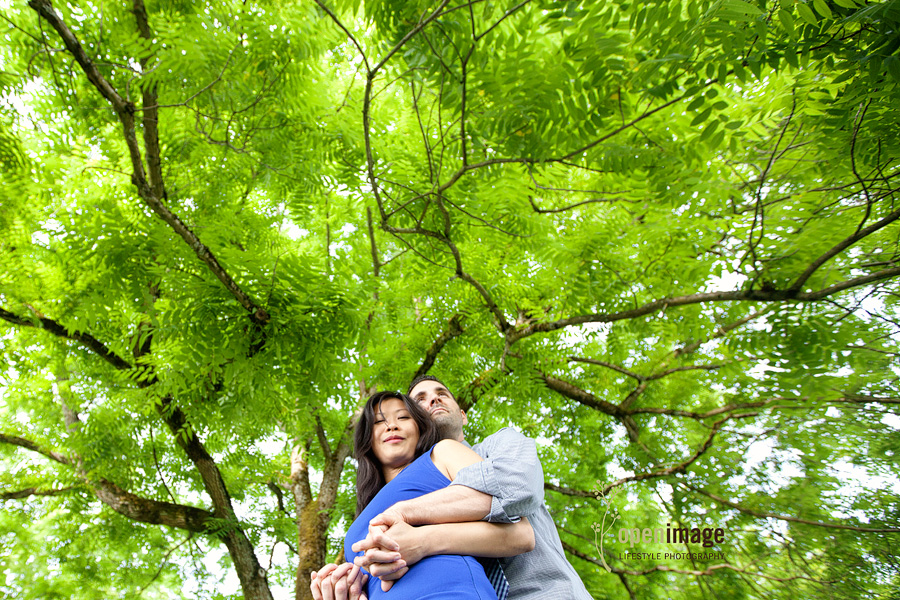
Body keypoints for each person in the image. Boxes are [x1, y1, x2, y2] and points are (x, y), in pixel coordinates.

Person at [311, 376, 592, 600]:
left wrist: (407, 516)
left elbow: (517, 488)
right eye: (419, 399)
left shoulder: (495, 447)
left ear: (463, 414)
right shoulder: (398, 492)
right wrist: (347, 582)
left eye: (441, 393)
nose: (433, 398)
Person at [337, 390, 535, 600]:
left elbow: (521, 534)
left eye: (403, 417)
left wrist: (421, 539)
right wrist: (340, 586)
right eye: (379, 422)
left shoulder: (443, 453)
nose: (391, 425)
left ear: (420, 428)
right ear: (367, 438)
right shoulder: (356, 527)